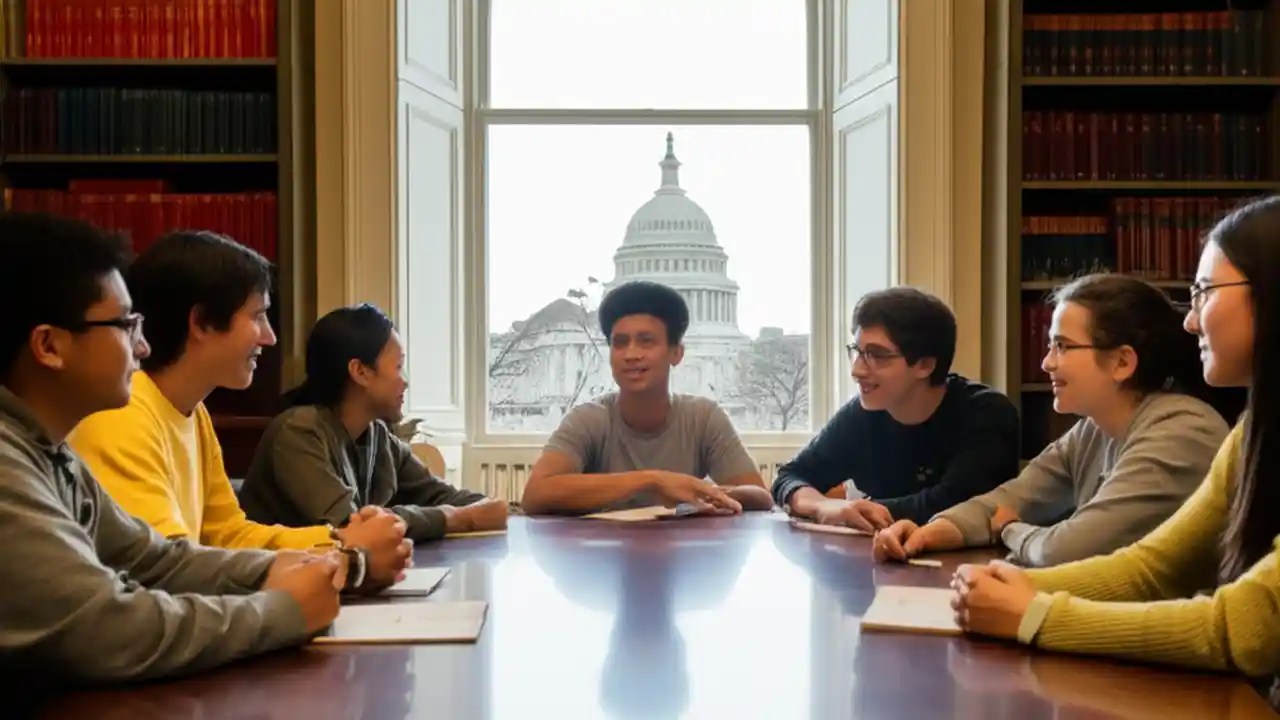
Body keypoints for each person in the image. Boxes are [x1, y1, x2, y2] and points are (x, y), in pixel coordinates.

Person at [951, 196, 1280, 707]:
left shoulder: (1184, 427)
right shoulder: (1253, 431)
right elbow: (1153, 566)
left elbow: (1239, 629)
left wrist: (1036, 613)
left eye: (1204, 292)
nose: (1190, 321)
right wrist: (1015, 584)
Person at [0, 212, 341, 694]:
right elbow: (107, 629)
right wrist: (284, 610)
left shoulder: (47, 451)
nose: (142, 346)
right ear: (49, 345)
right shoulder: (7, 466)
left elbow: (156, 559)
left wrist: (273, 568)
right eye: (124, 325)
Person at [68, 231, 410, 588]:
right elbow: (166, 568)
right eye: (258, 316)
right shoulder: (122, 414)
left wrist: (339, 540)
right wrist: (345, 558)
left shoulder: (191, 410)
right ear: (200, 322)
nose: (270, 337)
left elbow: (228, 534)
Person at [873, 274, 1228, 567]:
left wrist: (1010, 529)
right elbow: (1011, 498)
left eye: (1062, 346)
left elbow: (1067, 549)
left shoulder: (1183, 433)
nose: (1046, 363)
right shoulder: (1094, 429)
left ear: (1122, 362)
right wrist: (929, 532)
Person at [239, 304, 508, 540]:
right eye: (398, 366)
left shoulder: (376, 435)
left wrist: (486, 505)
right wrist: (457, 518)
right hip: (280, 589)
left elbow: (439, 495)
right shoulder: (298, 432)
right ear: (361, 372)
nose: (405, 381)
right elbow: (352, 527)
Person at [772, 287, 1020, 530]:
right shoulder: (862, 414)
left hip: (970, 565)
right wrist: (823, 507)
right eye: (857, 351)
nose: (857, 370)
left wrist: (856, 510)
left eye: (877, 356)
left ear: (924, 365)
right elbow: (790, 476)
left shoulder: (986, 413)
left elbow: (955, 504)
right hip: (885, 561)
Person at [520, 280, 773, 515]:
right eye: (620, 343)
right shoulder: (588, 419)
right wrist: (654, 481)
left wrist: (699, 493)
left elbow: (760, 497)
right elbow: (535, 495)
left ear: (677, 353)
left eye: (646, 342)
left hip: (681, 554)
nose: (631, 354)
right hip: (601, 556)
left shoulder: (703, 417)